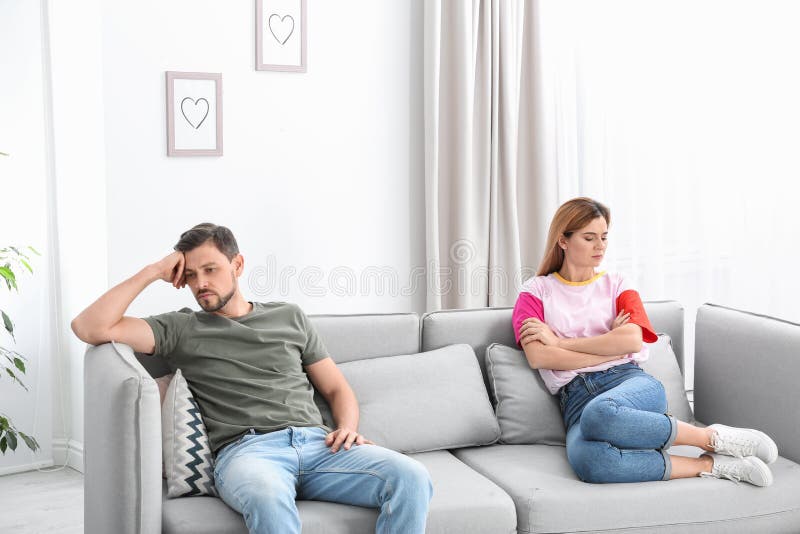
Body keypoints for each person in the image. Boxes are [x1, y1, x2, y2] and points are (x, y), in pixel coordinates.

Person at [72, 223, 433, 534]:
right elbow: (88, 326)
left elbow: (337, 388)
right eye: (192, 275)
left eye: (211, 269)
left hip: (319, 445)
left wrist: (348, 427)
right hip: (247, 453)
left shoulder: (289, 317)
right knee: (265, 496)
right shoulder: (180, 328)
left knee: (412, 477)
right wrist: (153, 271)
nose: (201, 283)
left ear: (238, 264)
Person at [512, 197, 778, 487]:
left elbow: (632, 339)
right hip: (576, 401)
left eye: (603, 237)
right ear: (563, 240)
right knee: (593, 463)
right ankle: (710, 464)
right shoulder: (535, 291)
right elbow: (539, 357)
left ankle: (714, 439)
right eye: (589, 238)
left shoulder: (617, 284)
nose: (600, 246)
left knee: (600, 415)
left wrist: (560, 343)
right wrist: (609, 346)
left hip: (631, 384)